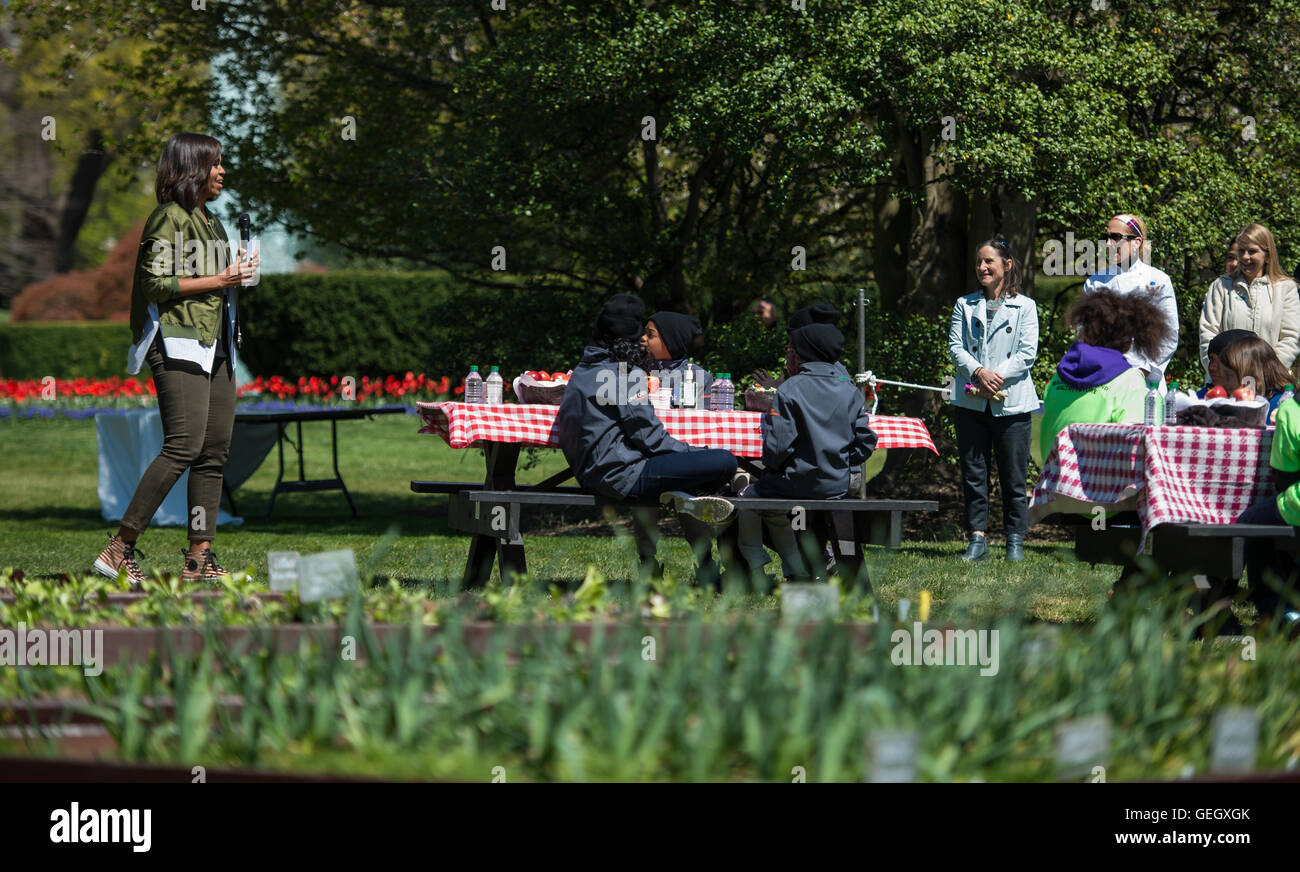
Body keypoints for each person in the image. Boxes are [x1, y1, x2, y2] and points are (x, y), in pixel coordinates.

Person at [92, 132, 258, 588]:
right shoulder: (168, 218)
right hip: (178, 339)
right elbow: (156, 285)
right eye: (215, 163)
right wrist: (220, 276)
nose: (222, 171)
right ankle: (120, 546)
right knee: (184, 445)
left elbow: (215, 282)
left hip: (218, 342)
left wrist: (236, 277)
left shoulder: (213, 221)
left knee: (214, 451)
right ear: (193, 168)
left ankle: (198, 556)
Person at [556, 294, 738, 580]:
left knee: (693, 467)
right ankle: (682, 500)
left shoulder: (583, 370)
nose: (642, 340)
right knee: (725, 461)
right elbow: (650, 437)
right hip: (624, 475)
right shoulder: (623, 374)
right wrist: (695, 453)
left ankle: (678, 495)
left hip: (592, 473)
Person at [732, 321, 876, 580]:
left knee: (746, 496)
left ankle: (755, 566)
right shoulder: (850, 391)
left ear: (802, 353)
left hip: (794, 483)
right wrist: (839, 460)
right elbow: (866, 441)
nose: (788, 354)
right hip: (836, 487)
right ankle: (803, 567)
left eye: (791, 349)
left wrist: (776, 467)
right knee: (776, 508)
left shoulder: (789, 389)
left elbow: (778, 447)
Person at [948, 238, 1040, 562]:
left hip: (1011, 403)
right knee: (974, 474)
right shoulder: (964, 304)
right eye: (979, 262)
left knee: (1013, 476)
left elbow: (1027, 353)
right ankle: (977, 539)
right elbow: (956, 348)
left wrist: (994, 376)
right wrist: (978, 373)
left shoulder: (1025, 307)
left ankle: (1014, 540)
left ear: (1007, 265)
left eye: (989, 262)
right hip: (971, 403)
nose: (982, 268)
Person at [1036, 289, 1175, 468]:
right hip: (1098, 489)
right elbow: (1136, 443)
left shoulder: (1059, 376)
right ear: (1128, 339)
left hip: (1052, 484)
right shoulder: (1129, 380)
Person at [1083, 213, 1179, 396]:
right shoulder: (1094, 283)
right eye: (1106, 238)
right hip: (1103, 382)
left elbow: (1169, 335)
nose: (1109, 244)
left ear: (1137, 242)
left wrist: (1144, 370)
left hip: (1145, 385)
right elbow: (1084, 335)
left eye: (1116, 238)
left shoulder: (1158, 280)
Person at [1234, 397, 1300, 636]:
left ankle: (1277, 613)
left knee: (1249, 524)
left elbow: (1284, 477)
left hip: (1297, 505)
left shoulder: (1290, 411)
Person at [1200, 223, 1300, 372]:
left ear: (1267, 255)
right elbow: (1207, 334)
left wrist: (1266, 372)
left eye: (1252, 251)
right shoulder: (1221, 287)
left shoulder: (1285, 289)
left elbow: (1290, 338)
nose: (1245, 257)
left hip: (1272, 383)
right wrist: (1225, 371)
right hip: (1226, 382)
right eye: (1242, 251)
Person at [643, 311, 713, 405]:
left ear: (671, 342)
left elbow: (705, 417)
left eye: (650, 335)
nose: (643, 338)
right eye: (644, 333)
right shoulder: (638, 371)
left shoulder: (701, 378)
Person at [1216, 334, 1294, 418]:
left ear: (1250, 375)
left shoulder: (1279, 405)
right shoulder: (1235, 402)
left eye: (1228, 375)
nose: (1223, 382)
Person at [1197, 328, 1256, 398]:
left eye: (1221, 361)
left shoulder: (1267, 402)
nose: (1212, 367)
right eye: (1211, 359)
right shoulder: (1203, 398)